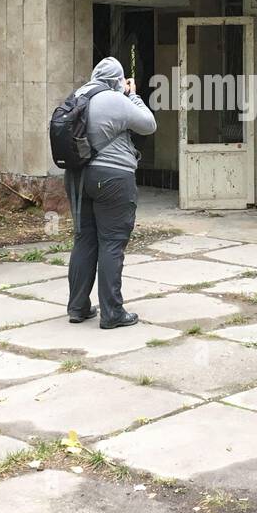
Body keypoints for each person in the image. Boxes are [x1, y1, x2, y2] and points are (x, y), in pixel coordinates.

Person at [66, 57, 156, 328]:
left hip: (77, 176)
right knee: (112, 242)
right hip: (113, 178)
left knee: (84, 239)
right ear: (118, 80)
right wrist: (134, 94)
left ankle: (78, 307)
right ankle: (112, 313)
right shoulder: (117, 100)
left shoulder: (78, 95)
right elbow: (149, 125)